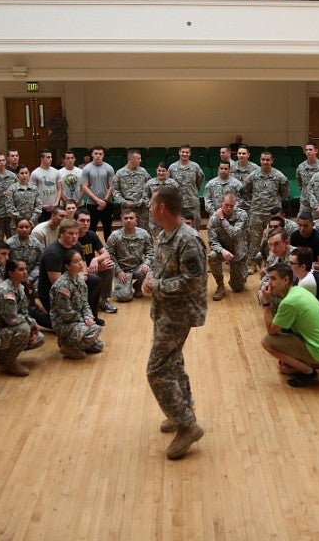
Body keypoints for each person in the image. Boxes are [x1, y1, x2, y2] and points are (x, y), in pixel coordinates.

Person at [142, 186, 207, 460]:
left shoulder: (188, 239)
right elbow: (164, 271)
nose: (148, 208)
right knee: (173, 362)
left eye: (151, 204)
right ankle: (182, 409)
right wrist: (151, 283)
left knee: (156, 370)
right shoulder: (164, 234)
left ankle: (187, 425)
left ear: (161, 208)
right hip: (165, 309)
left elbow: (193, 282)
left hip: (179, 313)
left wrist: (157, 286)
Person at [260, 263, 319, 387]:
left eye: (273, 279)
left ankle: (309, 373)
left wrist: (266, 303)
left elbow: (271, 330)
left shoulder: (289, 302)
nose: (269, 283)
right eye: (269, 278)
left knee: (267, 341)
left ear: (286, 280)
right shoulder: (298, 290)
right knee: (286, 367)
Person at [0, 259, 43, 376]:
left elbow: (24, 312)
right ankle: (10, 361)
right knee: (24, 328)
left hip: (6, 328)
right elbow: (11, 319)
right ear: (11, 273)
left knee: (39, 338)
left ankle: (3, 355)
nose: (25, 272)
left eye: (25, 269)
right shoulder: (5, 291)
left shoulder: (19, 288)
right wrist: (30, 324)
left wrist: (32, 324)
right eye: (21, 269)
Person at [49, 249, 104, 360]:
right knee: (95, 329)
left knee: (98, 345)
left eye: (80, 260)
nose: (80, 264)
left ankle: (68, 341)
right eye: (75, 262)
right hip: (64, 323)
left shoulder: (79, 279)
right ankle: (68, 346)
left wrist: (88, 316)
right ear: (68, 266)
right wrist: (83, 320)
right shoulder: (62, 286)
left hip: (77, 318)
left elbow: (85, 302)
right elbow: (65, 314)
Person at [241, 151, 289, 274]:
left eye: (268, 160)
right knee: (254, 239)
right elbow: (245, 189)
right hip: (256, 212)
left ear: (272, 161)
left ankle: (273, 262)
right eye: (263, 159)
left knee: (274, 238)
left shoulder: (278, 176)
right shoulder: (254, 175)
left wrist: (277, 203)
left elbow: (285, 192)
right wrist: (253, 202)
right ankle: (252, 264)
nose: (265, 162)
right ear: (260, 160)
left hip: (273, 214)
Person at [206, 192, 249, 301]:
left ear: (235, 204)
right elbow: (212, 241)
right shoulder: (213, 219)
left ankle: (241, 273)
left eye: (232, 206)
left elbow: (234, 234)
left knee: (237, 288)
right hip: (223, 250)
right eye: (226, 205)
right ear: (221, 202)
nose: (229, 208)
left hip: (238, 252)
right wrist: (222, 250)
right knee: (212, 256)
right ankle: (220, 286)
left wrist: (222, 219)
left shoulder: (242, 215)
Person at [106, 209, 153, 303]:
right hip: (123, 270)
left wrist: (147, 263)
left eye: (131, 218)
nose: (128, 220)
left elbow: (151, 251)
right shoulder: (115, 235)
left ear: (136, 220)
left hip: (138, 267)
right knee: (123, 297)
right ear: (122, 221)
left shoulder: (144, 234)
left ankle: (138, 286)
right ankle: (126, 288)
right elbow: (108, 254)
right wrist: (118, 271)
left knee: (152, 270)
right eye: (126, 218)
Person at [77, 208, 117, 315]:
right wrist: (94, 268)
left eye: (88, 220)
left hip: (92, 269)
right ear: (75, 221)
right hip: (78, 273)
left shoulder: (91, 235)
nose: (86, 223)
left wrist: (96, 259)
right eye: (82, 220)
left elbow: (106, 254)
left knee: (109, 264)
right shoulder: (72, 238)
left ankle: (103, 300)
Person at [81, 146, 116, 236]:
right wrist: (97, 200)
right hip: (92, 204)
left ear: (103, 155)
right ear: (92, 154)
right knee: (91, 230)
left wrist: (105, 201)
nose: (98, 156)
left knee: (108, 230)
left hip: (107, 204)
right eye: (96, 153)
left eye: (100, 154)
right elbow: (84, 187)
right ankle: (91, 246)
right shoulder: (86, 169)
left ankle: (108, 246)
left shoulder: (109, 168)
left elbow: (112, 186)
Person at [113, 149, 151, 230]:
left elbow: (149, 186)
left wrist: (143, 200)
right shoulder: (120, 173)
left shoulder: (143, 171)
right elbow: (115, 190)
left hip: (141, 208)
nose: (140, 160)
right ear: (131, 159)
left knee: (145, 231)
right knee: (128, 231)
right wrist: (123, 201)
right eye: (138, 158)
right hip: (127, 209)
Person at [169, 145, 206, 223]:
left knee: (195, 226)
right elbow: (169, 183)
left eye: (187, 152)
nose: (185, 154)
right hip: (178, 204)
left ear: (190, 153)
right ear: (179, 152)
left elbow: (200, 180)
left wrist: (194, 191)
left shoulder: (195, 167)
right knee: (177, 227)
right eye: (183, 152)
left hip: (193, 204)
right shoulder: (172, 167)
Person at [6, 218, 44, 292]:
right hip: (15, 276)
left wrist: (30, 278)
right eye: (21, 227)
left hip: (33, 275)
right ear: (16, 228)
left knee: (40, 289)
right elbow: (6, 263)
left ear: (31, 228)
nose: (24, 230)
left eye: (26, 227)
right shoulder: (9, 243)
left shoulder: (36, 243)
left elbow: (40, 263)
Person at [144, 162, 179, 238]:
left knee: (170, 237)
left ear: (167, 172)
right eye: (159, 171)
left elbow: (177, 198)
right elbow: (145, 196)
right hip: (155, 216)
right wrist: (150, 205)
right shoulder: (149, 183)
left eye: (163, 171)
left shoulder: (173, 184)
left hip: (169, 214)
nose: (161, 173)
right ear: (156, 170)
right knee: (156, 238)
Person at [4, 164, 43, 234]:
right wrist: (21, 220)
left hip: (32, 223)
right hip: (17, 224)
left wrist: (32, 219)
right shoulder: (12, 189)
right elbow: (9, 206)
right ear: (17, 175)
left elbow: (38, 205)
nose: (24, 175)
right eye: (22, 173)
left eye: (26, 173)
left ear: (29, 174)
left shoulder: (34, 188)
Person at [31, 149, 62, 223]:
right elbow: (33, 192)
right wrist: (41, 205)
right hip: (41, 208)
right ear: (42, 159)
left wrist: (56, 203)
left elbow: (59, 189)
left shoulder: (56, 172)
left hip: (54, 207)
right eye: (48, 157)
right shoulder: (35, 173)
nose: (50, 159)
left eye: (51, 157)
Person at [296, 142, 319, 214]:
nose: (308, 152)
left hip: (318, 201)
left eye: (310, 149)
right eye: (306, 150)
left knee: (318, 220)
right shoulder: (301, 166)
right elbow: (299, 181)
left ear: (316, 151)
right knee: (302, 219)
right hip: (305, 201)